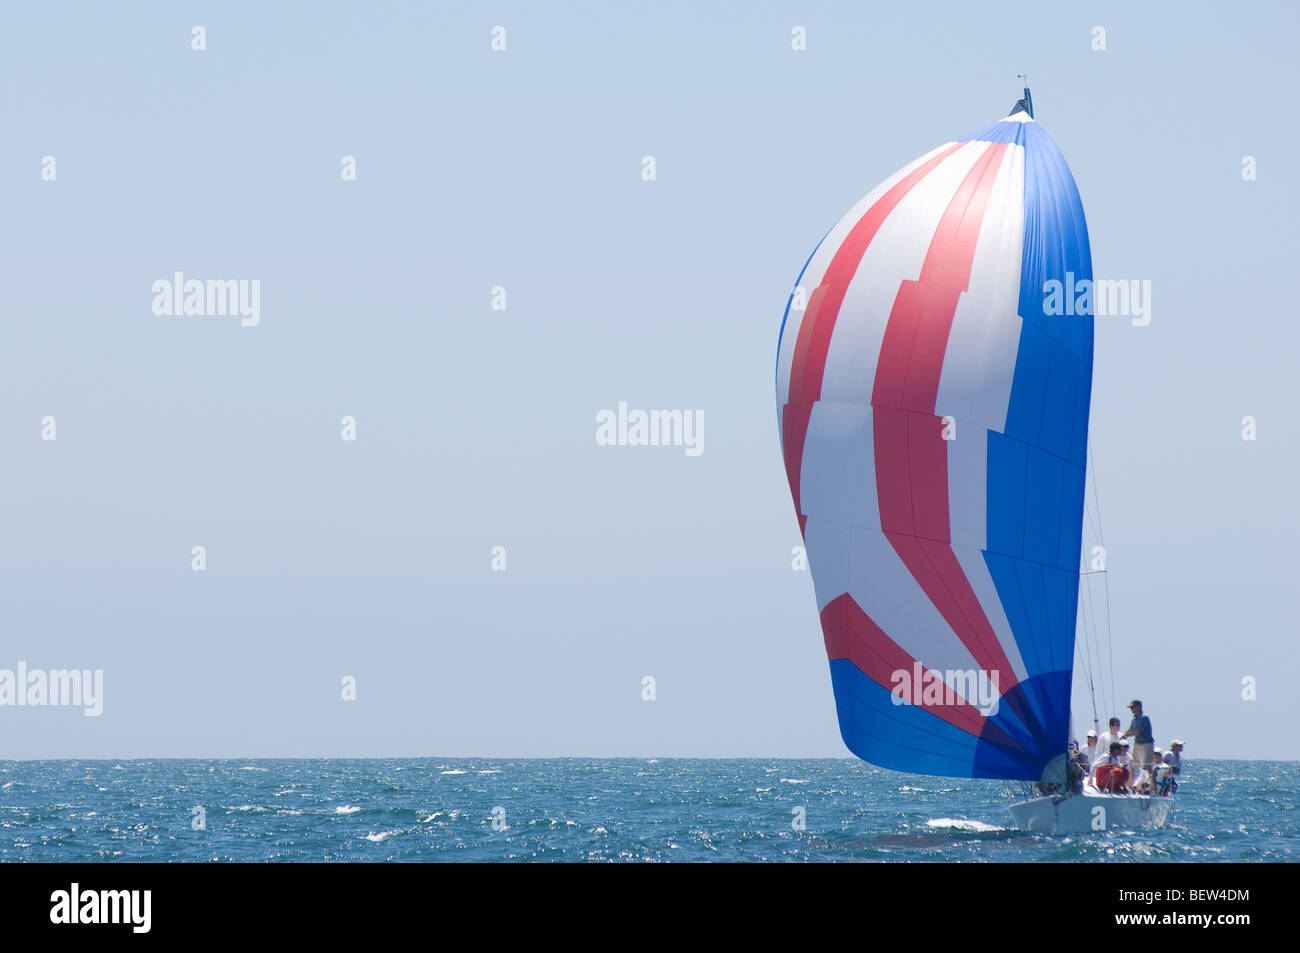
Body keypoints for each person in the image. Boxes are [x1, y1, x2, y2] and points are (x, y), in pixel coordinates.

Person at [1123, 700, 1155, 787]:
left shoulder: (1144, 718)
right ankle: (1129, 787)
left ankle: (1154, 788)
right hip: (1137, 744)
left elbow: (1136, 732)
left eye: (1133, 707)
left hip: (1146, 744)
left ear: (1138, 707)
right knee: (1133, 766)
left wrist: (1127, 735)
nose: (1131, 710)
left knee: (1147, 767)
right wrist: (1123, 735)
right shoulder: (1134, 720)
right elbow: (1130, 729)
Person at [1092, 717, 1122, 783]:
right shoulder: (1103, 737)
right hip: (1106, 763)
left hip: (1118, 764)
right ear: (1111, 725)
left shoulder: (1121, 736)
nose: (1118, 727)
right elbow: (1098, 753)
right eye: (1117, 725)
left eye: (1119, 725)